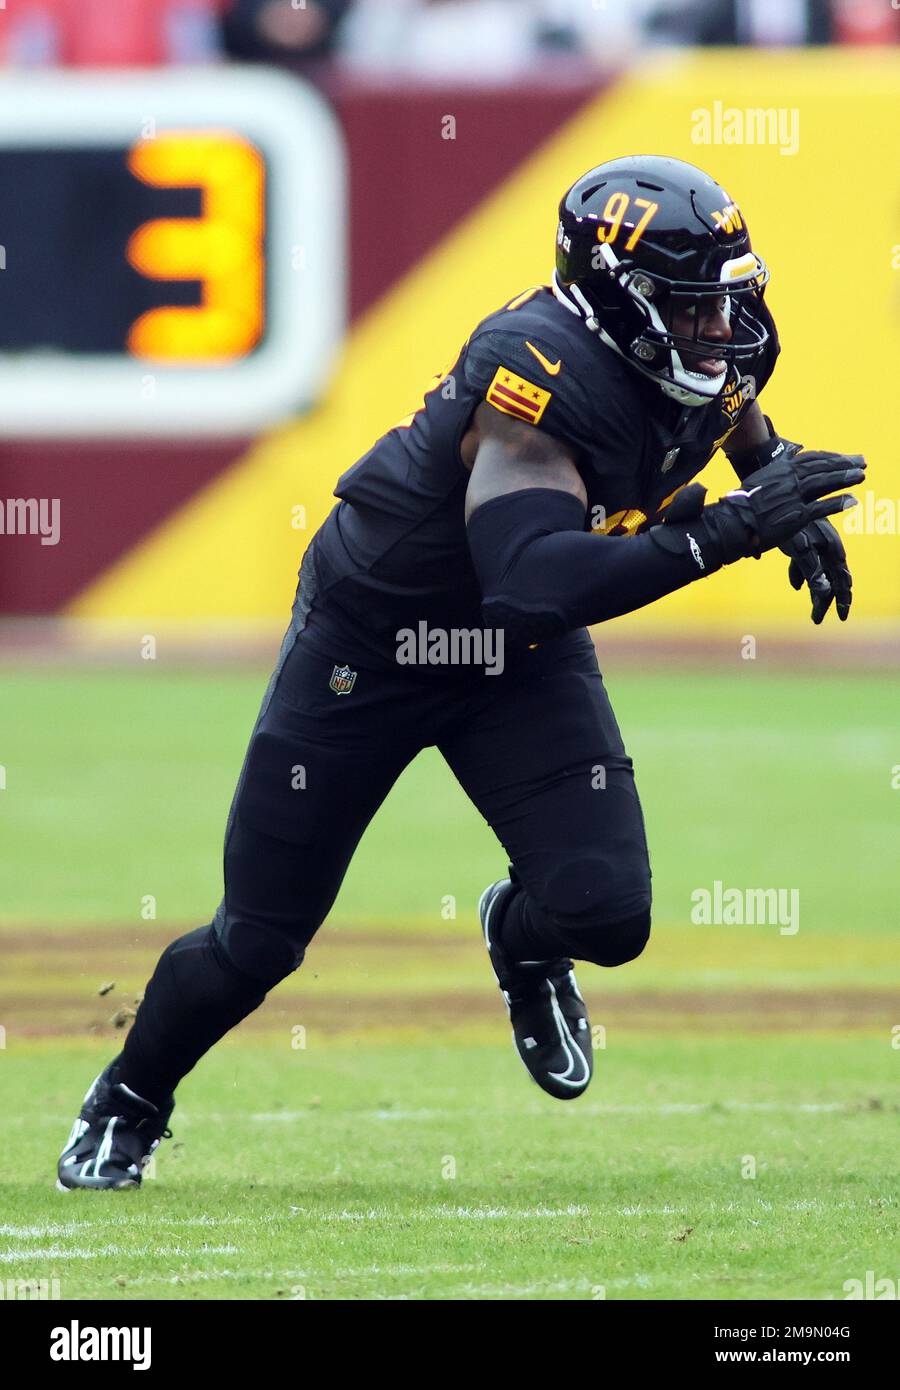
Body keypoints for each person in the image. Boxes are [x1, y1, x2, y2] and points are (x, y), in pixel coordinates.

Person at [57, 155, 864, 1189]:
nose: (720, 326)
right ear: (617, 296)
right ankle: (130, 1096)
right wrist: (727, 536)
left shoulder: (716, 348)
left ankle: (519, 938)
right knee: (256, 942)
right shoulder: (533, 367)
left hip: (511, 657)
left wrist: (776, 496)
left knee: (605, 914)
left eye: (727, 298)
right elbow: (527, 580)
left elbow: (732, 414)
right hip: (375, 645)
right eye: (692, 305)